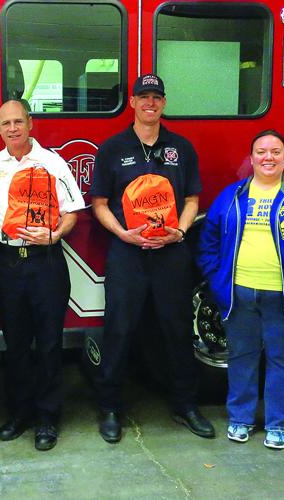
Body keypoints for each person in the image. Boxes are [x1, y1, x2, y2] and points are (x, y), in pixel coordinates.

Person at [90, 74, 214, 443]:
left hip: (171, 253)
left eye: (156, 97)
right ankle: (110, 408)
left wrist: (181, 232)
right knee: (119, 328)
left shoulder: (181, 148)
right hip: (127, 253)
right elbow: (99, 204)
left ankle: (185, 405)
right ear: (132, 102)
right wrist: (122, 233)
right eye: (143, 96)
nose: (150, 103)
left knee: (177, 328)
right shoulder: (112, 149)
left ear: (163, 103)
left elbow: (192, 200)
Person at [197, 130, 284, 450]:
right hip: (239, 296)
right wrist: (217, 280)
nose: (268, 157)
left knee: (282, 361)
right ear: (252, 157)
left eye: (275, 152)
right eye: (261, 151)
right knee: (241, 358)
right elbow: (208, 241)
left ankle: (278, 424)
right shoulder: (231, 197)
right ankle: (240, 418)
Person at [0, 100, 83, 451]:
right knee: (16, 343)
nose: (12, 128)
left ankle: (47, 418)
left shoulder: (53, 163)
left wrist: (55, 234)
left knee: (50, 343)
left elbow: (72, 211)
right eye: (5, 123)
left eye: (18, 121)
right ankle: (20, 413)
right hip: (8, 265)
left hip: (46, 262)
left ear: (30, 123)